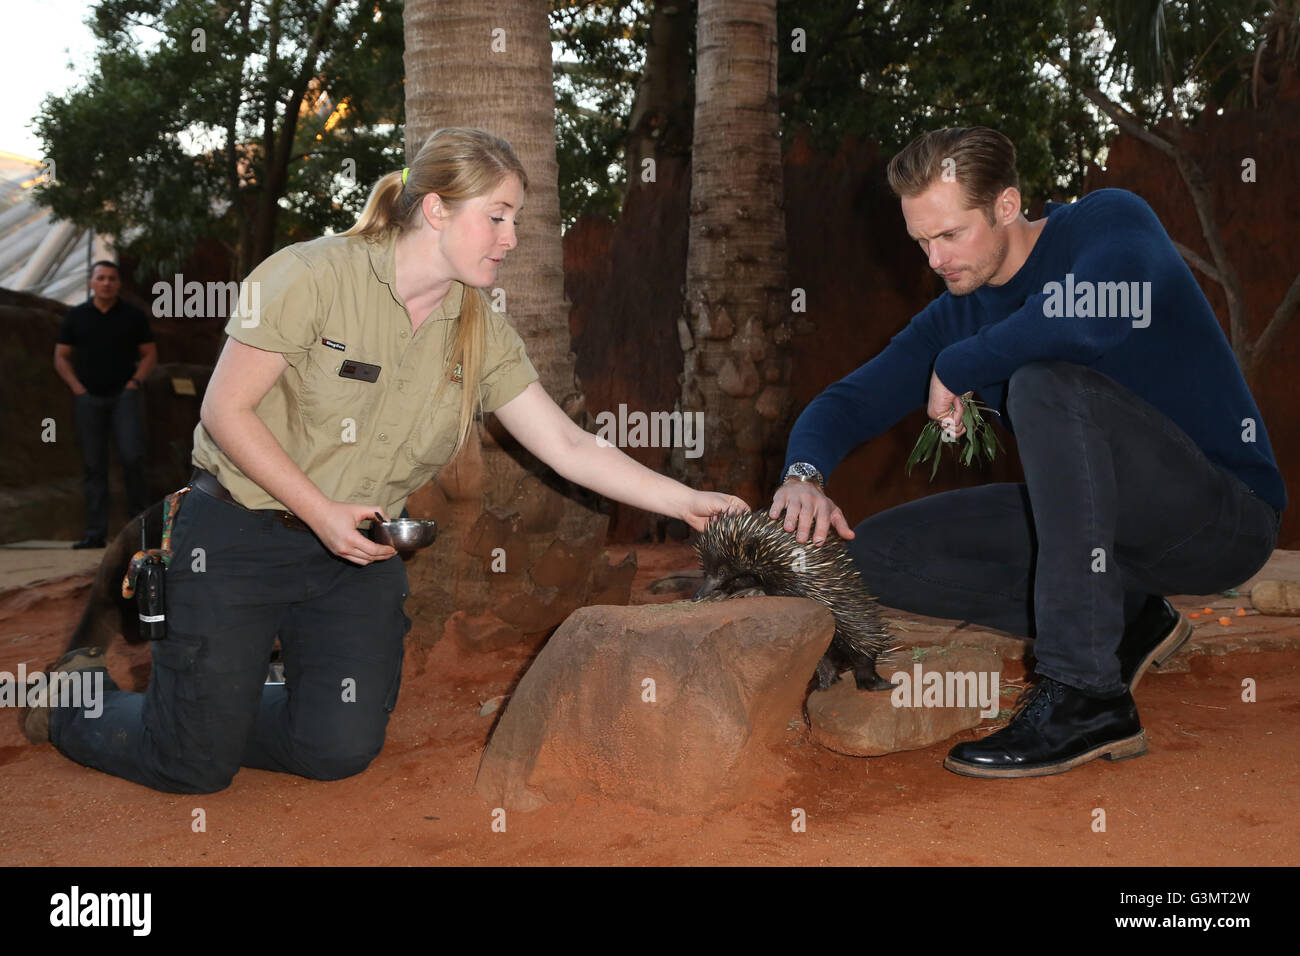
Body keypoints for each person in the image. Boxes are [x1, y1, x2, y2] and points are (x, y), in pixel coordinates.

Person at [27, 127, 748, 792]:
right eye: (497, 216)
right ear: (435, 209)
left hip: (357, 554)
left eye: (517, 220)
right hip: (239, 533)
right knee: (190, 767)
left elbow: (565, 444)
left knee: (334, 751)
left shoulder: (478, 330)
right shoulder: (310, 275)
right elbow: (225, 411)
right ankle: (77, 704)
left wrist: (684, 502)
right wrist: (318, 511)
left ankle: (209, 708)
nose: (513, 238)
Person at [772, 127, 1285, 778]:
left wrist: (959, 365)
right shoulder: (956, 309)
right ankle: (1126, 618)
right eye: (921, 241)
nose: (935, 259)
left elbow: (1087, 316)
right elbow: (849, 401)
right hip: (1116, 539)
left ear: (1007, 206)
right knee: (873, 556)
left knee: (1043, 381)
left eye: (950, 235)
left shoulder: (1109, 223)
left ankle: (1087, 696)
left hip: (1220, 515)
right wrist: (803, 475)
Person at [53, 261, 158, 549]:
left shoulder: (133, 316)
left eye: (112, 278)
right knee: (93, 465)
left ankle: (140, 532)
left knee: (132, 458)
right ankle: (94, 533)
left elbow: (150, 354)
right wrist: (77, 389)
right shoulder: (76, 316)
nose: (107, 282)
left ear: (119, 283)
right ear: (91, 283)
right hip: (89, 399)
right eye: (101, 278)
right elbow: (60, 356)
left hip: (124, 397)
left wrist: (134, 383)